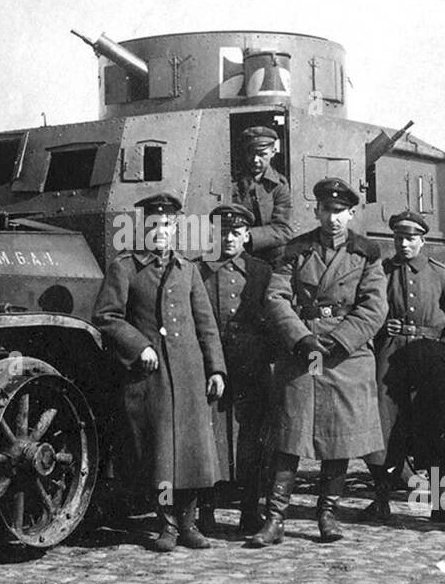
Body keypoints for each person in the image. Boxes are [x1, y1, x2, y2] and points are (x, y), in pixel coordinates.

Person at [248, 177, 385, 546]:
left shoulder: (366, 254)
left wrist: (340, 340)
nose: (333, 219)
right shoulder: (295, 250)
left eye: (340, 212)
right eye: (327, 210)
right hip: (304, 352)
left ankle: (328, 516)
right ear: (317, 210)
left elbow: (374, 307)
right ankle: (274, 519)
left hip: (345, 355)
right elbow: (276, 297)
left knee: (337, 436)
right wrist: (302, 338)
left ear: (351, 213)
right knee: (290, 432)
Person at [92, 193, 227, 552]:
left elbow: (206, 325)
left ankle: (189, 524)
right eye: (155, 224)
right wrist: (140, 346)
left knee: (193, 451)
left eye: (168, 224)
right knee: (159, 452)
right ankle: (166, 525)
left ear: (176, 227)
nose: (162, 231)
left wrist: (216, 370)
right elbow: (107, 316)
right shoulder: (125, 268)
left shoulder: (189, 270)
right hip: (150, 377)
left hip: (189, 373)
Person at [377, 210, 445, 524]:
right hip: (389, 359)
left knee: (435, 431)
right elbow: (366, 310)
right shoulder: (381, 271)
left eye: (410, 238)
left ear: (422, 241)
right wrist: (382, 327)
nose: (404, 244)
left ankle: (440, 503)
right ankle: (380, 499)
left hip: (430, 359)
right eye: (398, 238)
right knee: (384, 427)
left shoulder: (440, 273)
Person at [197, 204, 274, 535]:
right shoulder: (199, 270)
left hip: (251, 367)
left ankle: (249, 509)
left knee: (251, 440)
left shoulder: (261, 272)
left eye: (234, 232)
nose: (227, 238)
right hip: (210, 365)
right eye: (221, 231)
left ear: (246, 235)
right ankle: (206, 511)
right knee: (209, 439)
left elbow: (273, 319)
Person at [231, 125, 293, 260]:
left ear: (273, 152)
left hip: (267, 254)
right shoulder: (233, 183)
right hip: (234, 249)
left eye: (262, 154)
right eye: (251, 153)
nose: (255, 160)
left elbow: (283, 230)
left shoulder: (279, 186)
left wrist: (249, 236)